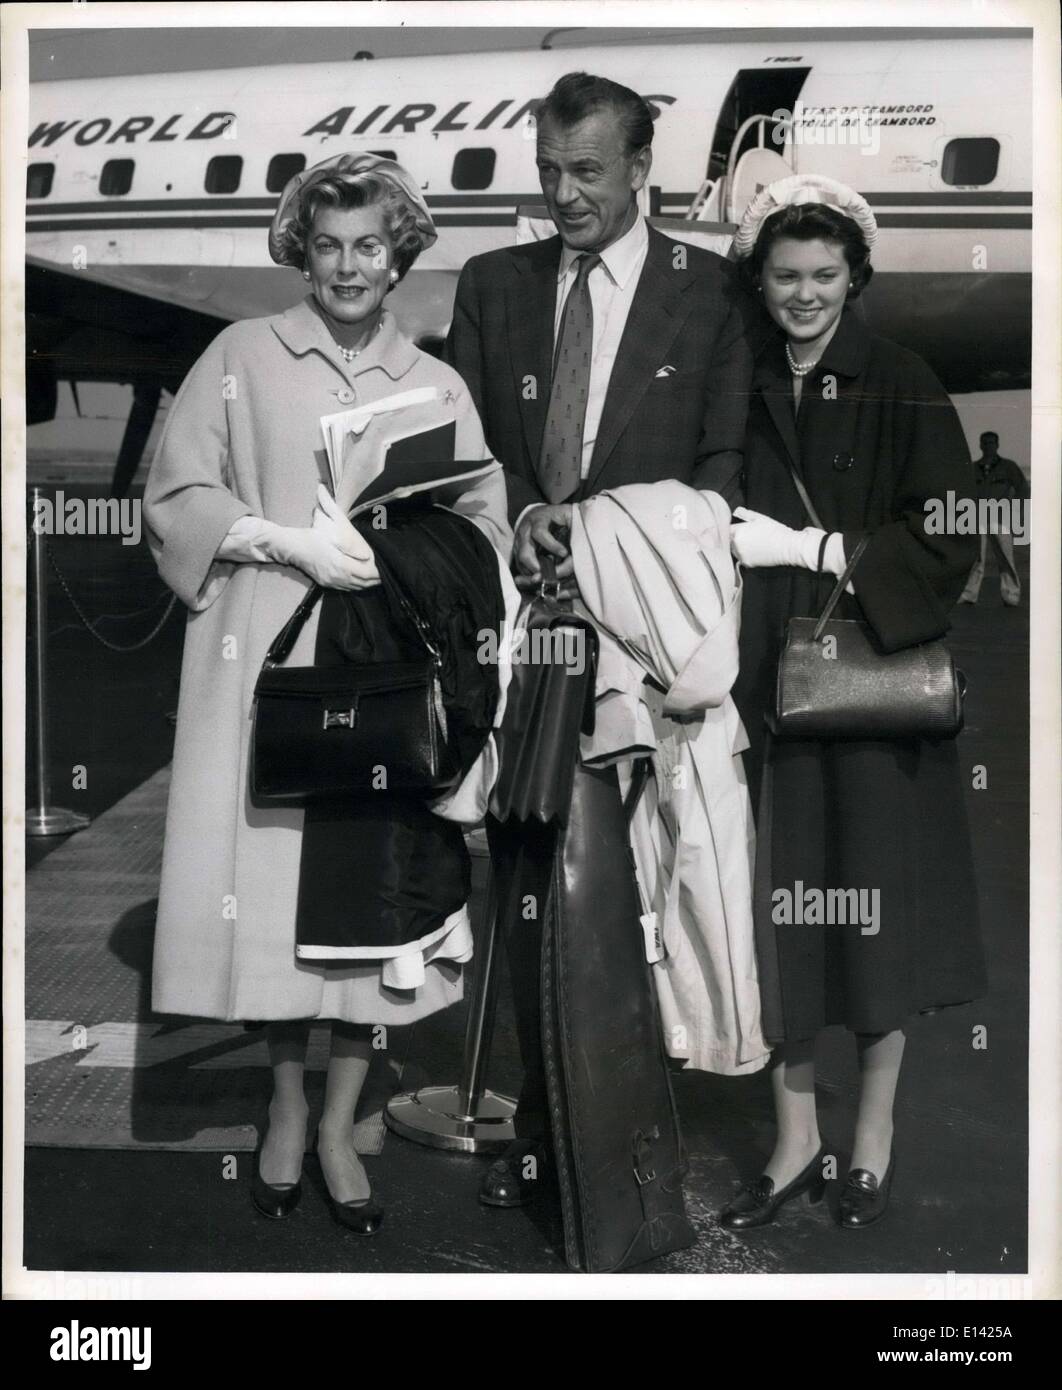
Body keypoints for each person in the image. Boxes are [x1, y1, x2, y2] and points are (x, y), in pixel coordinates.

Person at [143, 153, 513, 1235]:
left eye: (370, 245)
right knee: (264, 904)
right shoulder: (238, 355)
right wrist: (279, 538)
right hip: (264, 655)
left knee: (365, 913)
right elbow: (177, 493)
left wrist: (392, 555)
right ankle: (287, 1109)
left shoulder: (437, 383)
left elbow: (483, 527)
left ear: (401, 254)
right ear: (298, 248)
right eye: (328, 244)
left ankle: (346, 1123)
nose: (348, 266)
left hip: (388, 671)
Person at [444, 70, 765, 1209]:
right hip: (532, 624)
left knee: (657, 870)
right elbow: (471, 448)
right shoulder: (495, 284)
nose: (564, 194)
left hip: (654, 631)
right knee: (539, 871)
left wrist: (636, 567)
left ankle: (642, 1124)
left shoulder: (714, 292)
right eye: (549, 170)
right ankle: (548, 1131)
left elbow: (723, 464)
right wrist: (525, 519)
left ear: (642, 171)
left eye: (587, 171)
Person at [719, 174, 987, 1230]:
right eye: (785, 275)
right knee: (777, 914)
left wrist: (824, 549)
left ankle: (870, 1132)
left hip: (870, 684)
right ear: (759, 277)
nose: (805, 294)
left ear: (856, 276)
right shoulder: (733, 380)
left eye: (826, 275)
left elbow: (951, 535)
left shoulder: (903, 376)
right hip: (760, 682)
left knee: (874, 918)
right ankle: (795, 1136)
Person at [958, 431, 1029, 607]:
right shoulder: (973, 468)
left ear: (997, 445)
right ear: (980, 445)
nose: (988, 446)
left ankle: (1011, 594)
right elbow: (964, 491)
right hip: (977, 517)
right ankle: (969, 594)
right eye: (985, 443)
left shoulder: (1008, 467)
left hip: (1001, 517)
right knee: (976, 558)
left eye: (991, 443)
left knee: (1005, 557)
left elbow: (1023, 489)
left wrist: (1016, 509)